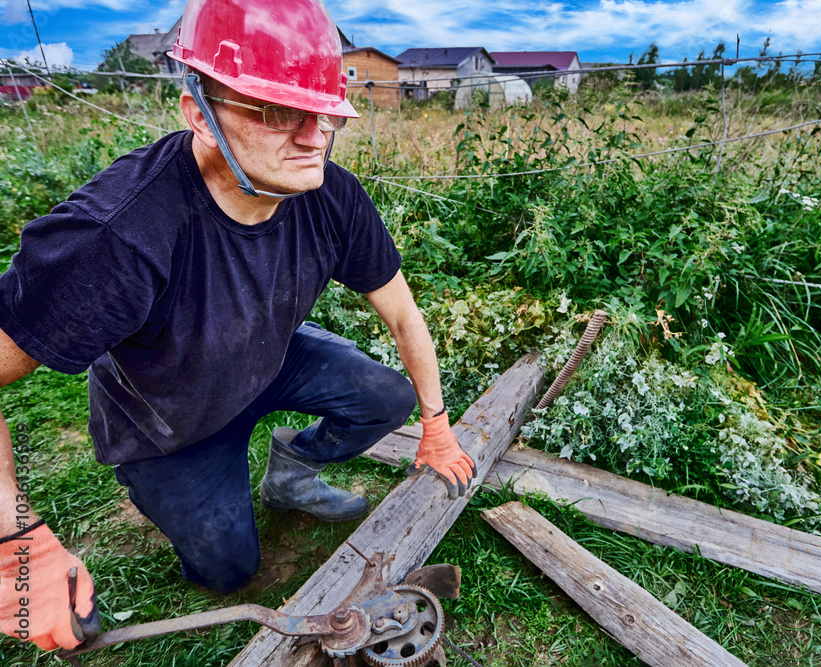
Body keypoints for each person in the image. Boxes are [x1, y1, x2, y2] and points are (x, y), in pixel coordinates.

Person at [0, 0, 476, 652]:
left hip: (267, 359)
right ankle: (179, 500)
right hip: (168, 424)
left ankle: (291, 466)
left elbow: (401, 311)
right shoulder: (116, 234)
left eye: (326, 112)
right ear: (199, 111)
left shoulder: (329, 194)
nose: (315, 137)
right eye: (280, 111)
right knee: (229, 571)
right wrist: (12, 546)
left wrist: (438, 427)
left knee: (387, 396)